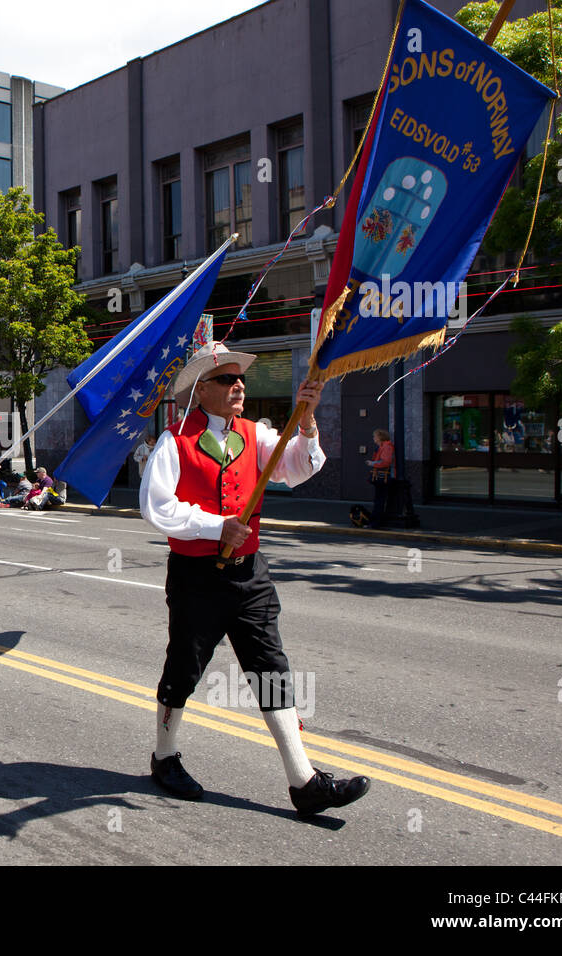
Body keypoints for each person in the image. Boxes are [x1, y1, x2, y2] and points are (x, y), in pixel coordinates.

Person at [139, 342, 370, 818]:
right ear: (201, 390)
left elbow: (299, 470)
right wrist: (214, 525)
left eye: (240, 378)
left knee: (271, 669)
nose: (238, 385)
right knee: (184, 669)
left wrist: (306, 423)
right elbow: (156, 507)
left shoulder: (257, 434)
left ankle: (303, 781)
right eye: (226, 379)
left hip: (250, 575)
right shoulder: (175, 439)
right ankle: (164, 757)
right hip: (196, 575)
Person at [365, 428, 395, 529]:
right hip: (381, 477)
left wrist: (372, 463)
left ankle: (376, 523)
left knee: (379, 500)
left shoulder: (386, 447)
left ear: (380, 437)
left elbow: (385, 462)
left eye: (375, 436)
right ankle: (376, 522)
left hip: (382, 477)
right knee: (379, 499)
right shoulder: (382, 447)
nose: (374, 438)